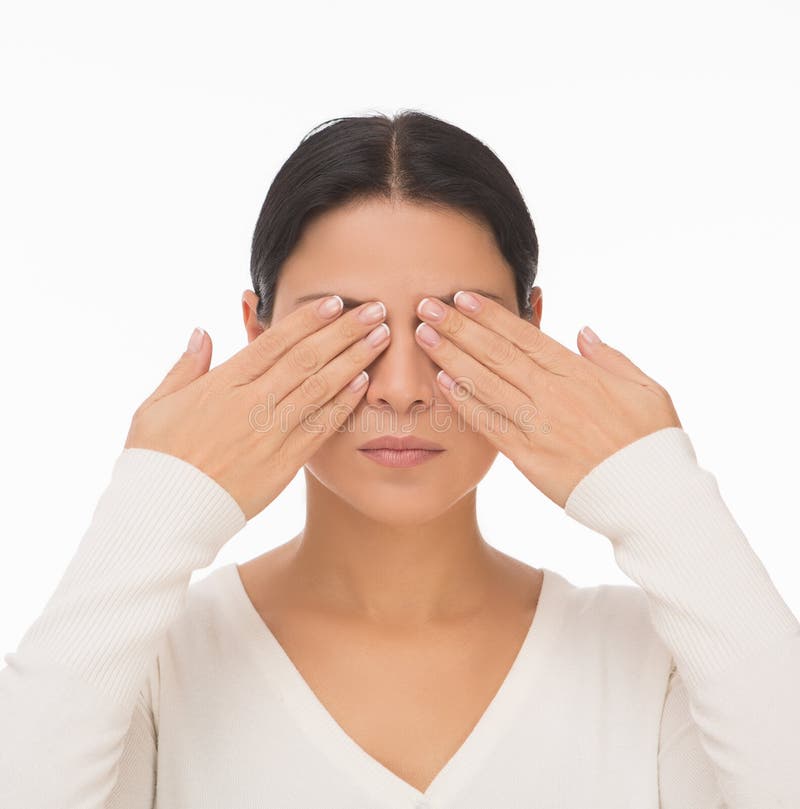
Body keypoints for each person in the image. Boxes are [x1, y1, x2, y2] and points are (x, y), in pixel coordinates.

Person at [1, 109, 798, 809]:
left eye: (453, 322)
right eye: (344, 327)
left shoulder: (653, 663)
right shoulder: (146, 667)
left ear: (532, 327)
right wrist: (155, 504)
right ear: (258, 332)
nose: (405, 389)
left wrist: (660, 492)